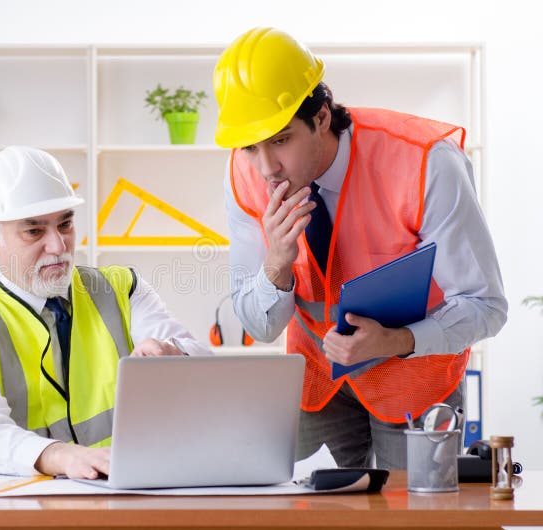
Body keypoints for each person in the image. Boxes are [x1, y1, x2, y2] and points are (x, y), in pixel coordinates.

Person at [214, 27, 507, 468]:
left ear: (322, 118)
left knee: (417, 516)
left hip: (416, 375)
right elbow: (262, 326)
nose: (267, 168)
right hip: (317, 380)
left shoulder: (426, 162)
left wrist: (398, 340)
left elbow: (486, 306)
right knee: (304, 511)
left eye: (280, 140)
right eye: (251, 146)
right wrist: (276, 262)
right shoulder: (244, 175)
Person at [0, 146, 211, 478]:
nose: (58, 246)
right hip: (8, 507)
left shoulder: (122, 289)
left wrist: (173, 352)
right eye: (34, 231)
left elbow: (203, 359)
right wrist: (60, 457)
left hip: (119, 496)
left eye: (65, 224)